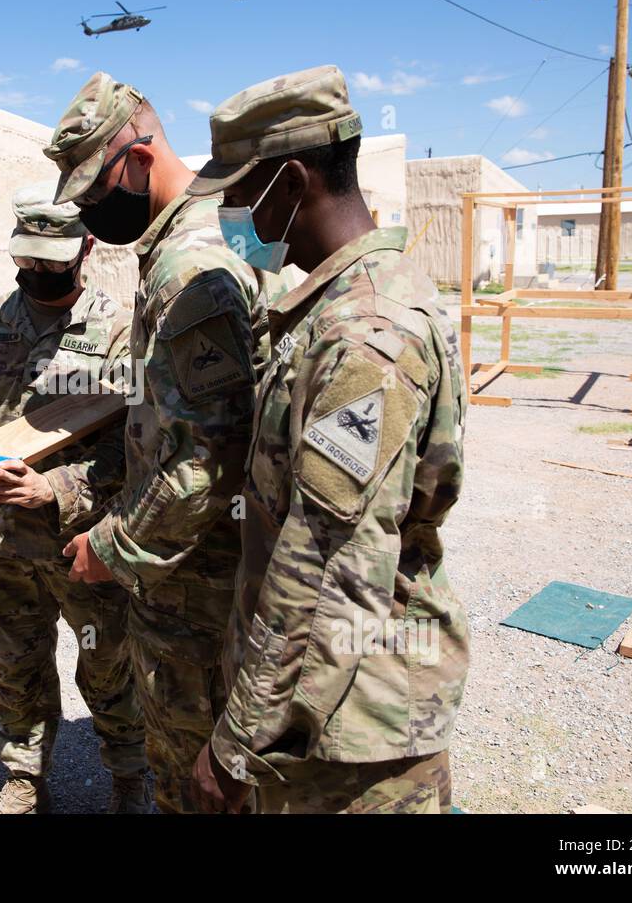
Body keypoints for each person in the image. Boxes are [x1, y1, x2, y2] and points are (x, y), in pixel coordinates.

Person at [185, 67, 470, 814]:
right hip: (319, 711)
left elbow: (327, 567)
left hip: (352, 735)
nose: (231, 215)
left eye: (239, 195)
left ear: (290, 182)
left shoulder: (366, 338)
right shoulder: (331, 308)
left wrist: (238, 741)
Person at [44, 72, 284, 813]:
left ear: (141, 162)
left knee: (197, 781)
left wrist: (110, 547)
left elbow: (204, 460)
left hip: (200, 587)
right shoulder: (229, 225)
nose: (89, 213)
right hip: (226, 567)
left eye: (93, 192)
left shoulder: (190, 264)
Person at [0, 181, 147, 813]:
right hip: (7, 547)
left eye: (51, 261)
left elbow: (138, 444)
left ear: (85, 248)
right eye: (25, 259)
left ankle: (129, 778)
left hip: (83, 543)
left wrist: (54, 488)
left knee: (108, 667)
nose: (35, 273)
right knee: (16, 666)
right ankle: (25, 779)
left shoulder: (118, 332)